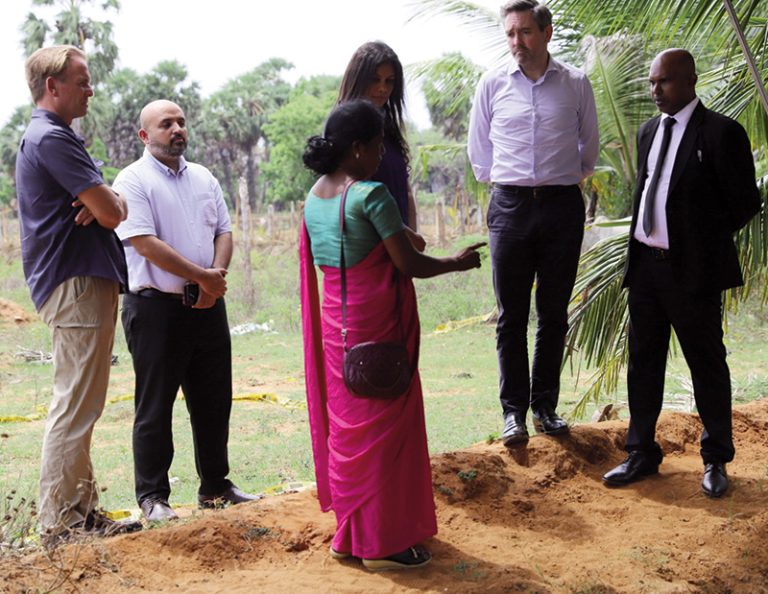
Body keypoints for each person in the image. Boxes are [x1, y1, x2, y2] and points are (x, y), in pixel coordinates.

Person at [300, 99, 483, 570]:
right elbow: (409, 264)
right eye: (379, 144)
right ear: (358, 148)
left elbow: (371, 241)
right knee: (385, 434)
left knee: (350, 433)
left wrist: (402, 234)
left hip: (337, 332)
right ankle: (382, 544)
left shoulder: (314, 197)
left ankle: (349, 536)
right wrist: (456, 263)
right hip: (378, 327)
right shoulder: (370, 194)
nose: (383, 154)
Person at [602, 49, 761, 497]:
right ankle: (641, 453)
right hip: (647, 269)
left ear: (691, 80)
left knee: (706, 363)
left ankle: (715, 459)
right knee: (644, 362)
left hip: (694, 273)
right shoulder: (650, 130)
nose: (655, 91)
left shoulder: (722, 132)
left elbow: (745, 202)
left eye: (664, 83)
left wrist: (699, 238)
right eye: (652, 83)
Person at [15, 45, 140, 545]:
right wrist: (109, 201)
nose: (91, 90)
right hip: (77, 280)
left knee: (82, 404)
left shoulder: (53, 137)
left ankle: (81, 512)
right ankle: (62, 524)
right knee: (74, 406)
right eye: (83, 81)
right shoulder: (52, 139)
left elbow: (111, 205)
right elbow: (110, 213)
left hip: (77, 279)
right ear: (53, 86)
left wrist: (111, 199)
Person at [113, 99, 260, 522]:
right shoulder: (133, 180)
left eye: (180, 122)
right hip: (155, 308)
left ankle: (215, 485)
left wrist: (215, 278)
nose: (176, 129)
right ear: (145, 135)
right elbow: (143, 242)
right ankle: (153, 497)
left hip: (207, 305)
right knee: (155, 405)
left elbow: (224, 230)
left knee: (214, 400)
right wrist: (205, 276)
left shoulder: (204, 177)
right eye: (165, 124)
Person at [467, 0, 599, 446]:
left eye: (524, 32)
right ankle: (513, 414)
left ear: (546, 32)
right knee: (511, 316)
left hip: (562, 205)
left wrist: (559, 182)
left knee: (554, 312)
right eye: (510, 34)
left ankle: (544, 406)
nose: (516, 42)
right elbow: (479, 153)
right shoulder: (492, 83)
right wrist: (512, 185)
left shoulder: (576, 83)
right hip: (509, 207)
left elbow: (589, 148)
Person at [338, 41, 424, 250]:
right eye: (375, 80)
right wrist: (407, 239)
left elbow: (406, 190)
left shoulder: (389, 128)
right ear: (357, 80)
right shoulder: (343, 128)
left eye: (390, 81)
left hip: (400, 248)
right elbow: (354, 197)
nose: (382, 88)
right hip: (366, 250)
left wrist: (410, 242)